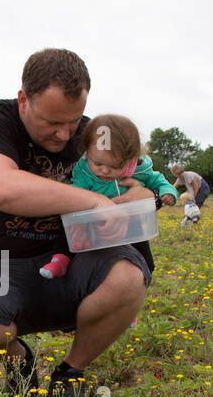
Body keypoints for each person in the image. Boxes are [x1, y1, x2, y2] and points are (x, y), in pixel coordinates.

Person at [0, 48, 153, 397]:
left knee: (128, 277)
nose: (65, 133)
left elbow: (139, 182)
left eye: (73, 121)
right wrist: (92, 202)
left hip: (71, 263)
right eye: (53, 121)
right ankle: (19, 361)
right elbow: (1, 188)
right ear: (24, 100)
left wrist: (138, 196)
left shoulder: (92, 133)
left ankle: (70, 373)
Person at [38, 114, 177, 279]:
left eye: (114, 166)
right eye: (97, 163)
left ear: (130, 159)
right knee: (69, 234)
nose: (104, 171)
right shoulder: (84, 171)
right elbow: (75, 193)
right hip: (92, 223)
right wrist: (77, 218)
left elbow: (159, 180)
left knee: (144, 255)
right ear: (87, 152)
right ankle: (61, 259)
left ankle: (145, 270)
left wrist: (167, 192)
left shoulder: (140, 169)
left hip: (130, 223)